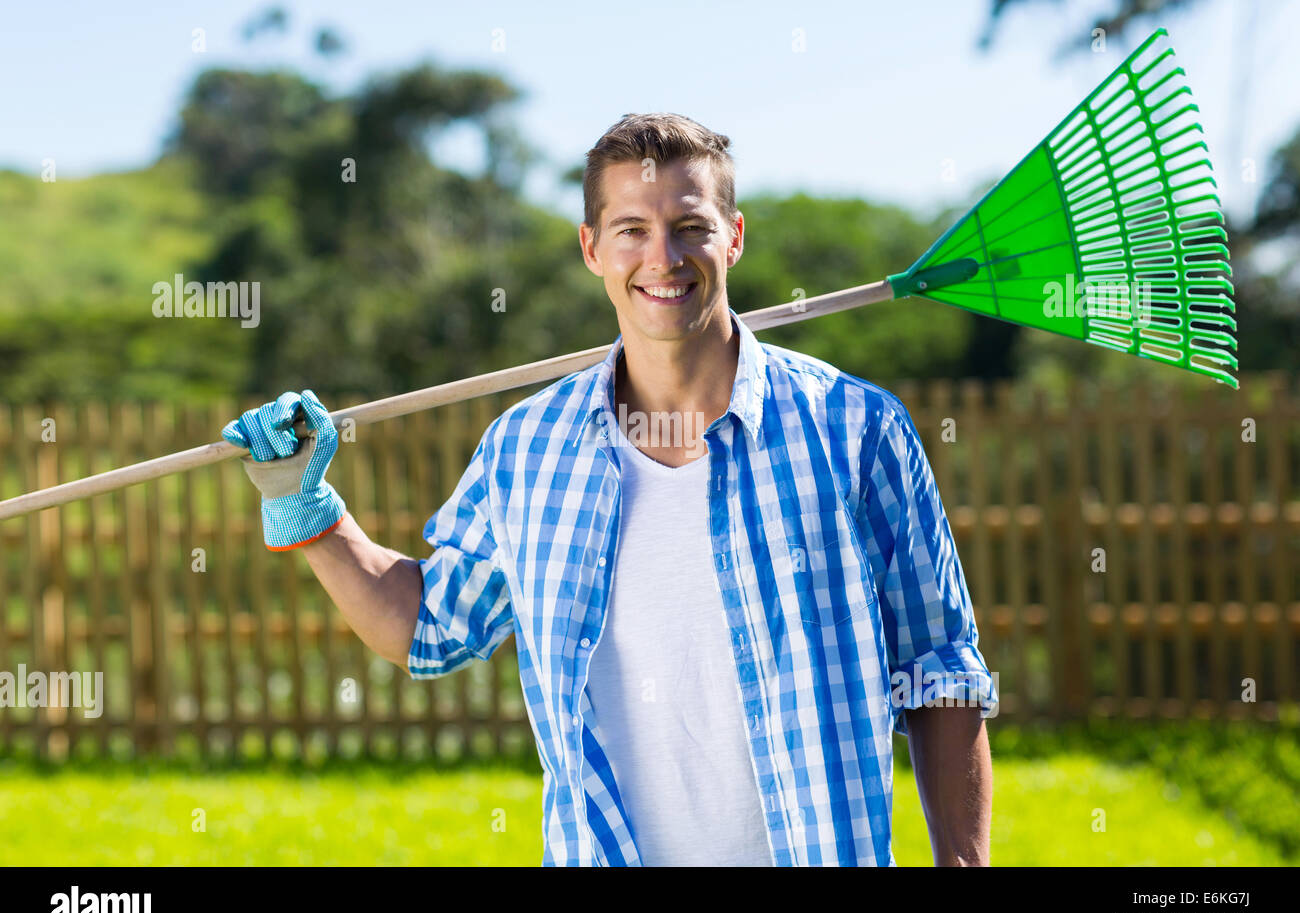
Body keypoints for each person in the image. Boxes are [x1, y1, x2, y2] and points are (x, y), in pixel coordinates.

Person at [222, 112, 997, 867]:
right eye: (632, 229)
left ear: (733, 235)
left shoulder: (855, 430)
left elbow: (940, 672)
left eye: (690, 226)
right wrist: (306, 507)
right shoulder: (527, 449)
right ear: (592, 248)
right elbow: (429, 626)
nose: (663, 257)